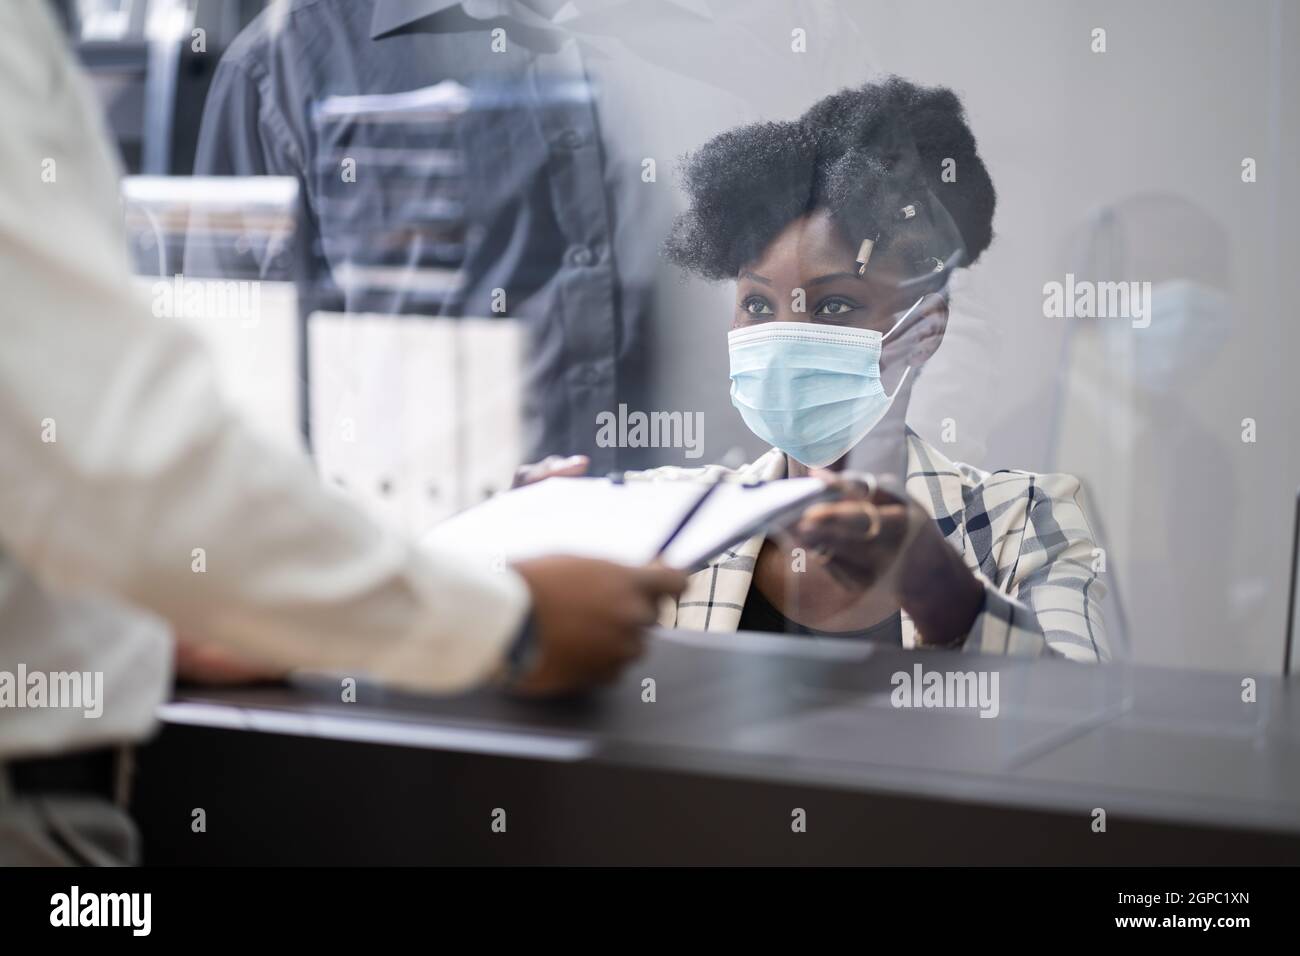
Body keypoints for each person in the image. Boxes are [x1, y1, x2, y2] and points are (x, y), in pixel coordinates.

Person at [0, 0, 683, 866]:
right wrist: (503, 622)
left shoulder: (686, 47)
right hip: (354, 708)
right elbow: (155, 447)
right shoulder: (279, 63)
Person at [524, 78, 1109, 661]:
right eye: (757, 305)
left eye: (833, 306)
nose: (784, 337)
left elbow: (1085, 726)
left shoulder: (1019, 519)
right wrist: (518, 567)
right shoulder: (664, 520)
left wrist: (942, 593)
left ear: (927, 328)